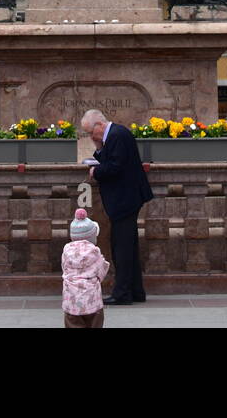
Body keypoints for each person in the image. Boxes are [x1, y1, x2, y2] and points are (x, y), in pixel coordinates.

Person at [82, 109, 153, 306]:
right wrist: (98, 147)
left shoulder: (117, 135)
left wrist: (96, 171)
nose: (90, 136)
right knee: (127, 247)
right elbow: (113, 161)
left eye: (90, 132)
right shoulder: (115, 135)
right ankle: (136, 291)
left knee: (121, 247)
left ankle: (122, 293)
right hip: (126, 199)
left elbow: (115, 167)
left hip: (125, 200)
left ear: (99, 125)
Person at [61, 208, 109, 329]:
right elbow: (102, 270)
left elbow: (64, 269)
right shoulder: (95, 252)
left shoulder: (66, 251)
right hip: (92, 301)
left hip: (71, 302)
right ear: (92, 237)